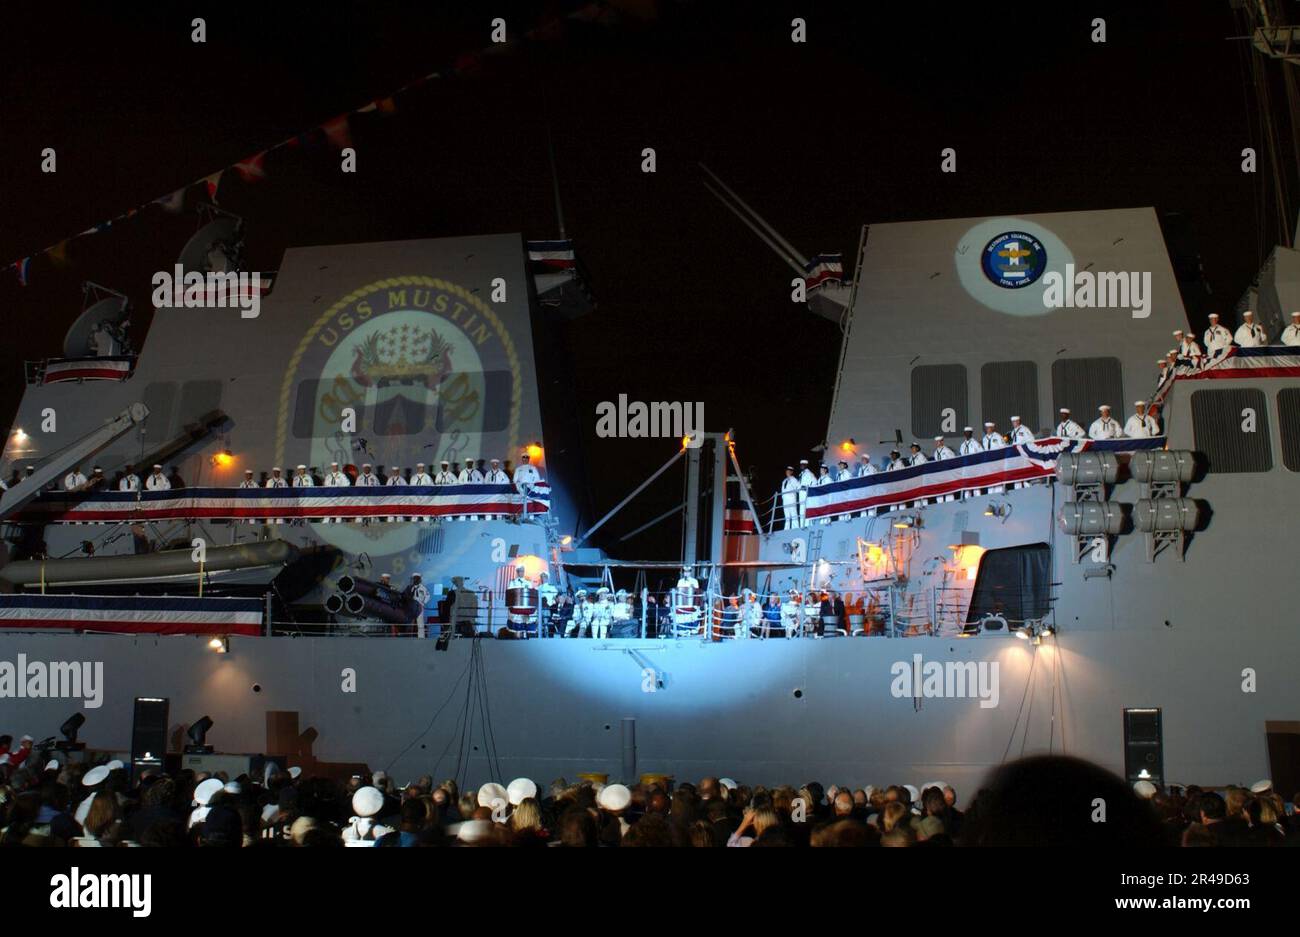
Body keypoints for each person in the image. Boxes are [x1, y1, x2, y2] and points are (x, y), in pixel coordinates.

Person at [513, 451, 541, 519]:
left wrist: (532, 487)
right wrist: (519, 488)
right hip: (520, 490)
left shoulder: (533, 468)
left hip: (530, 490)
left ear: (528, 459)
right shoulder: (518, 469)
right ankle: (520, 518)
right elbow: (515, 480)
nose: (525, 459)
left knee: (530, 504)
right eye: (523, 458)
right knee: (520, 504)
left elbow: (537, 479)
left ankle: (531, 518)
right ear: (522, 459)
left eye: (527, 458)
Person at [796, 460, 816, 529]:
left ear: (806, 465)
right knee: (801, 511)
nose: (801, 466)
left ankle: (807, 526)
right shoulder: (801, 474)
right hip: (801, 495)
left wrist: (806, 488)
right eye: (801, 464)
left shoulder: (809, 473)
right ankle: (802, 526)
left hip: (805, 494)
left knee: (806, 510)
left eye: (803, 464)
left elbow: (814, 482)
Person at [780, 466, 799, 530]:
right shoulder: (784, 481)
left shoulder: (793, 479)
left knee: (793, 514)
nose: (787, 472)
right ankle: (786, 529)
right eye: (786, 470)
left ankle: (795, 528)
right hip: (785, 500)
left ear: (791, 472)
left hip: (791, 499)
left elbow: (798, 487)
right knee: (787, 516)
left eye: (789, 470)